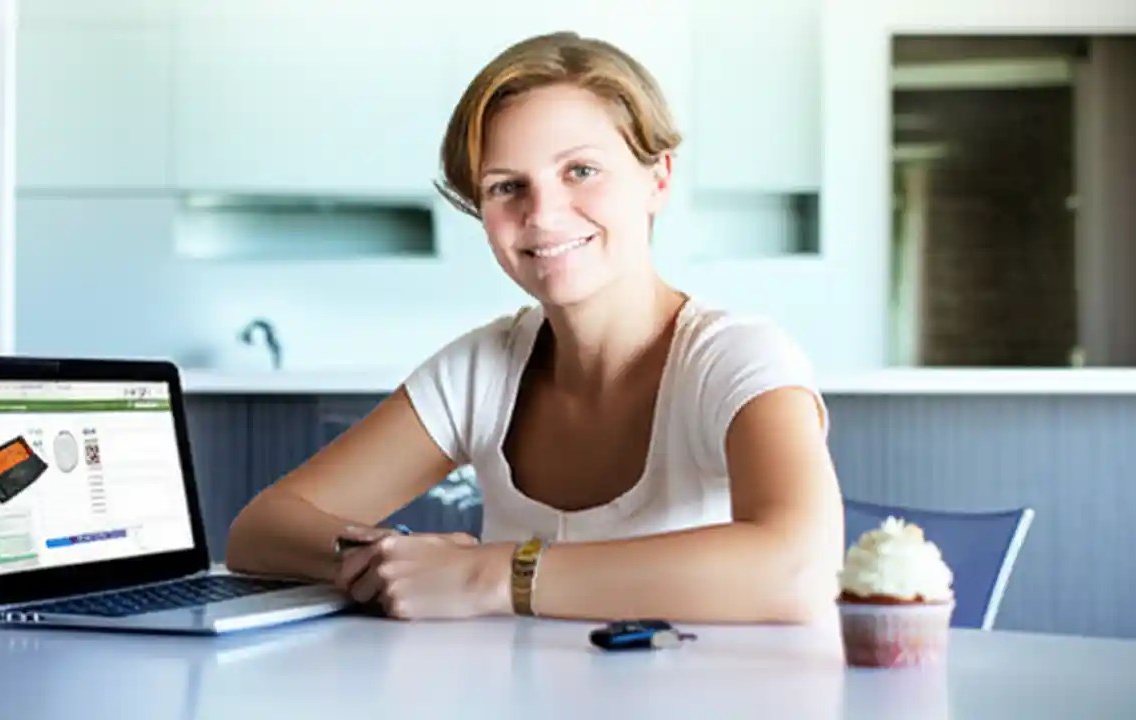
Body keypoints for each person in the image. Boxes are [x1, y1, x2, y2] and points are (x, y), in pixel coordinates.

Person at [226, 31, 844, 624]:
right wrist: (399, 562)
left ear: (657, 178)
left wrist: (490, 576)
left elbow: (799, 570)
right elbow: (263, 530)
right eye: (506, 187)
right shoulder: (482, 368)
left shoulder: (735, 358)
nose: (543, 214)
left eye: (581, 171)